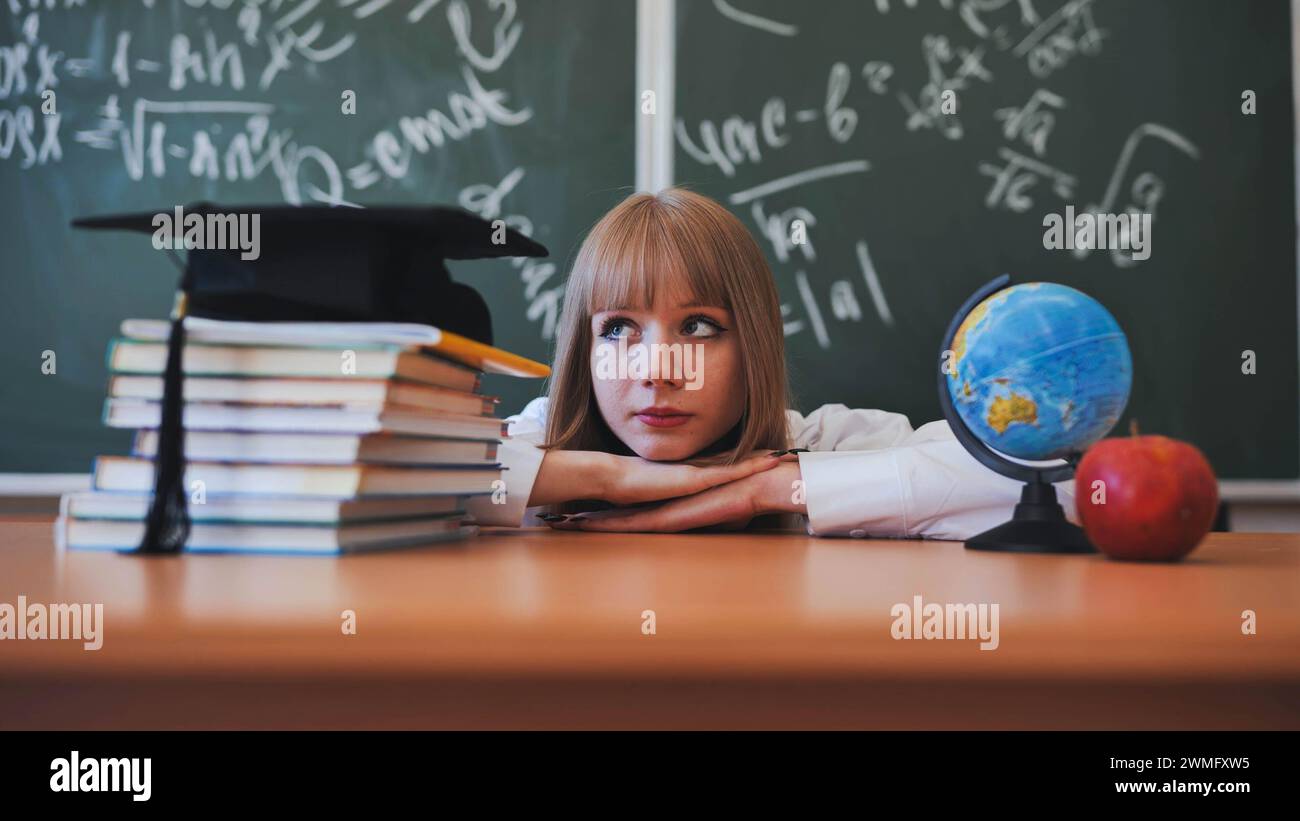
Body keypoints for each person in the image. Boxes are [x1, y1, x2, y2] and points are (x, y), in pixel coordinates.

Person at [466, 188, 1075, 538]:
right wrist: (607, 479)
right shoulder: (542, 437)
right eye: (619, 329)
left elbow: (1068, 492)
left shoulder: (812, 443)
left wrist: (767, 489)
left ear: (752, 342)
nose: (657, 369)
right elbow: (377, 484)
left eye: (699, 327)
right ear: (583, 350)